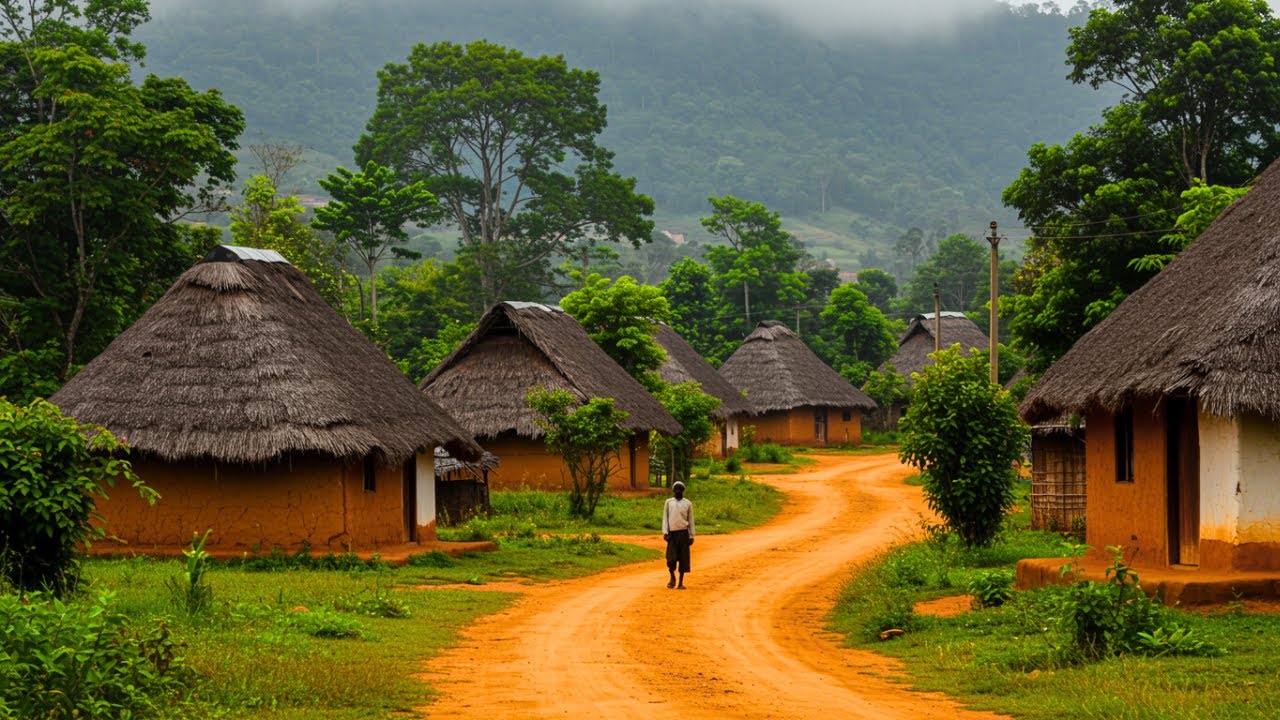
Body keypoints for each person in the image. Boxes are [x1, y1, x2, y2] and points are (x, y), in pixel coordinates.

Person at [662, 480, 695, 589]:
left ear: (683, 491)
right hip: (672, 535)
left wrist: (691, 535)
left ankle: (680, 582)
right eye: (676, 490)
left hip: (684, 534)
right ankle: (672, 576)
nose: (678, 492)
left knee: (683, 559)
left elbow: (691, 520)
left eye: (680, 490)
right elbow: (665, 517)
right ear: (673, 491)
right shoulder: (669, 502)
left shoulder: (687, 503)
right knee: (670, 559)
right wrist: (665, 532)